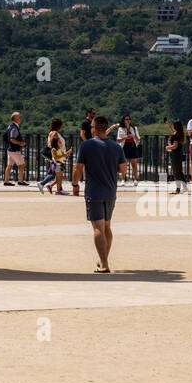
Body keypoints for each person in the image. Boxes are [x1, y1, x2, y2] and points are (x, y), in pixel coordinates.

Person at [72, 115, 127, 274]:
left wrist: (75, 185)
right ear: (106, 128)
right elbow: (123, 170)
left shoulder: (86, 145)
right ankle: (103, 259)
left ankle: (104, 264)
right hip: (110, 191)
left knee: (98, 228)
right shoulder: (116, 147)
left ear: (94, 129)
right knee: (107, 227)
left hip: (94, 192)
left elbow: (77, 168)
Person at [43, 117, 71, 196]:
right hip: (58, 159)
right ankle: (58, 190)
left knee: (59, 175)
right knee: (59, 175)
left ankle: (55, 187)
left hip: (59, 157)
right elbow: (52, 143)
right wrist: (59, 151)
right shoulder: (55, 133)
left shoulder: (53, 132)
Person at [3, 111, 27, 186]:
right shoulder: (14, 128)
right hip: (14, 150)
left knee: (9, 165)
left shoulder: (10, 126)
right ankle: (20, 181)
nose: (20, 119)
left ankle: (6, 181)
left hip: (10, 149)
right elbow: (12, 139)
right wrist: (21, 143)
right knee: (22, 165)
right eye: (19, 117)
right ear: (15, 119)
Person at [116, 114, 140, 183]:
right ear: (123, 121)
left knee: (134, 164)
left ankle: (135, 180)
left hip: (132, 146)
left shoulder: (134, 128)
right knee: (124, 164)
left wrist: (133, 136)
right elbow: (118, 139)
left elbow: (138, 139)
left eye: (129, 119)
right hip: (124, 146)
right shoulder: (121, 129)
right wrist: (125, 137)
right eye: (126, 119)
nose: (128, 120)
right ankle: (123, 179)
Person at [165, 118, 187, 192]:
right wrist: (168, 125)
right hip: (179, 154)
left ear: (175, 126)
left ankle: (178, 188)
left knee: (176, 172)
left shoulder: (176, 135)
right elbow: (173, 131)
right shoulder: (179, 134)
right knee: (179, 171)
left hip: (175, 155)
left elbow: (175, 146)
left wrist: (168, 147)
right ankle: (185, 186)